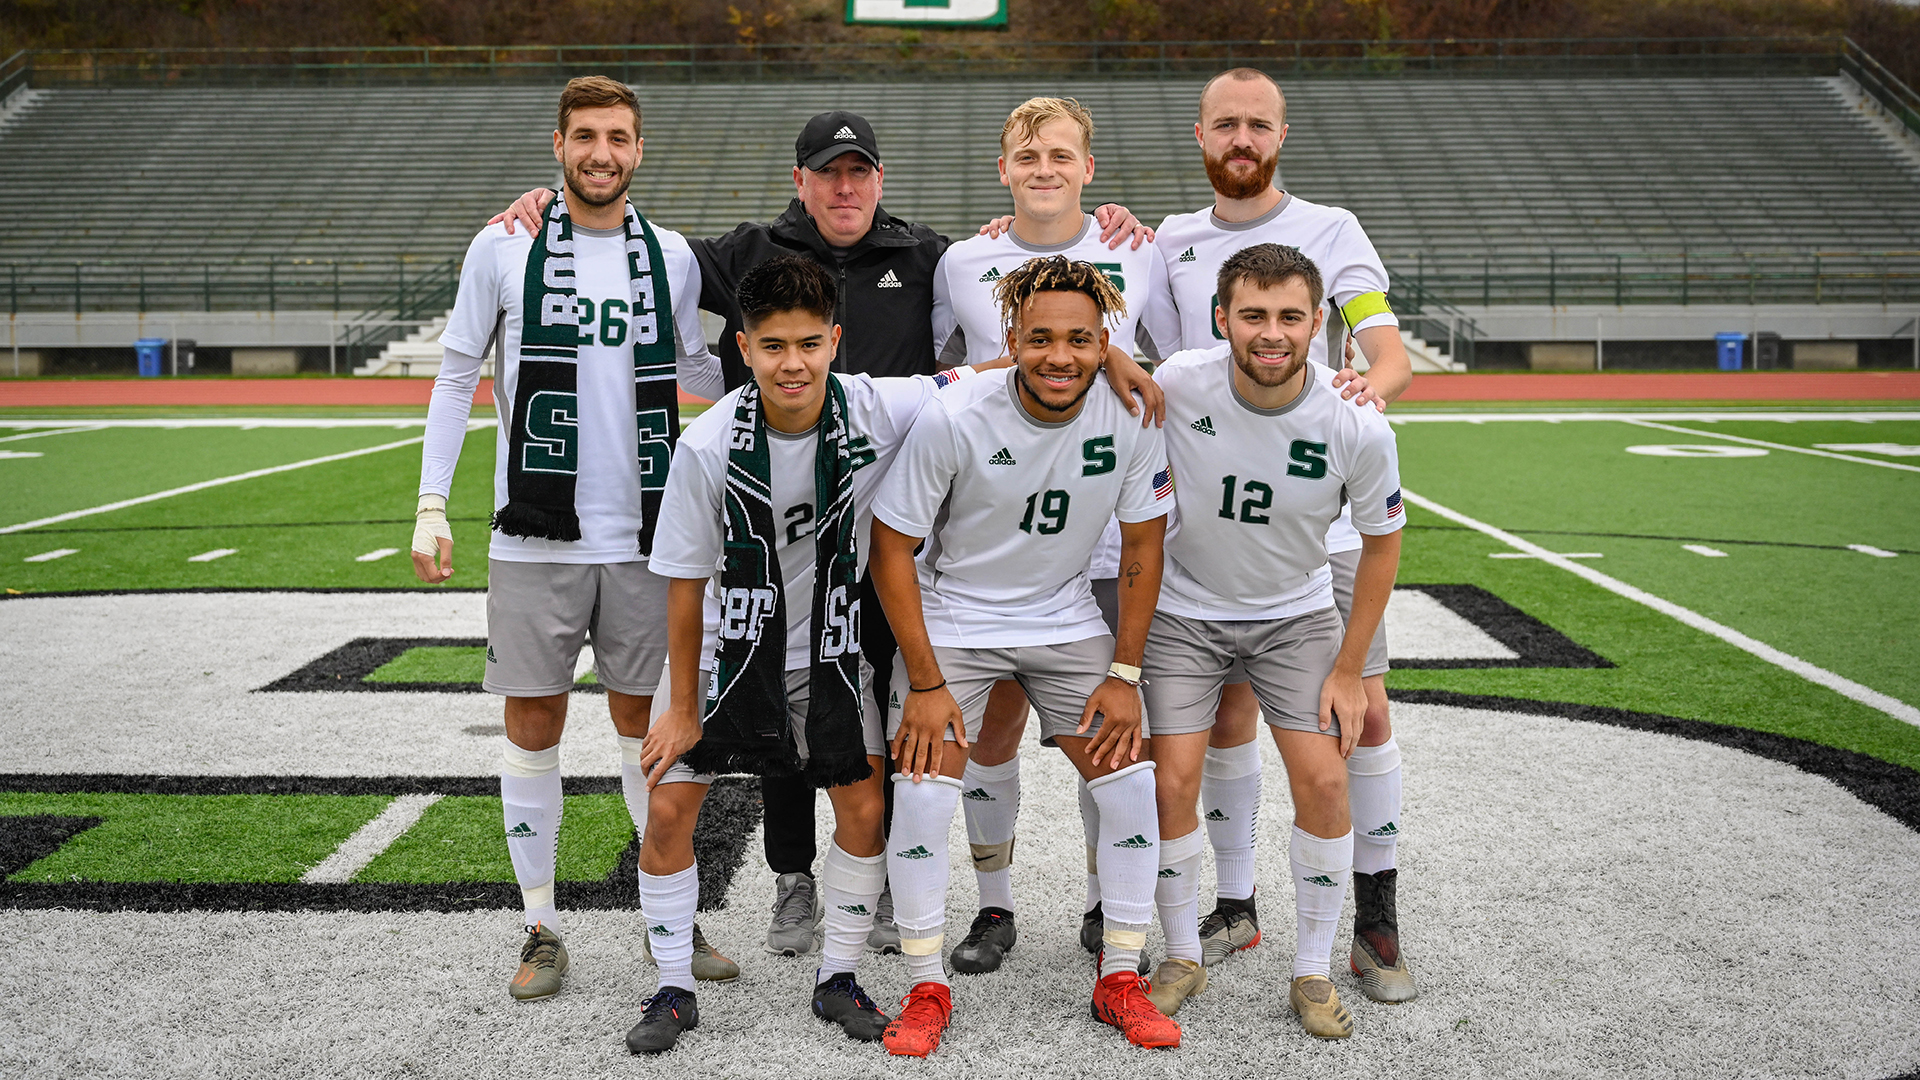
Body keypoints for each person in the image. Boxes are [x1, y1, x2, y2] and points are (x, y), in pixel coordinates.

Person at [495, 112, 1156, 959]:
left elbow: (999, 348)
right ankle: (792, 880)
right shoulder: (744, 252)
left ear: (880, 179)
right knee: (779, 704)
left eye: (860, 172)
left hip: (893, 532)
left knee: (863, 729)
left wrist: (1111, 352)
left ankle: (874, 901)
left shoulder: (930, 255)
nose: (845, 187)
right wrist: (553, 208)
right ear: (799, 179)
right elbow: (631, 244)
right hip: (769, 524)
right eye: (827, 172)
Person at [409, 75, 737, 1003]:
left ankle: (664, 915)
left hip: (645, 531)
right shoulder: (503, 245)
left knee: (651, 728)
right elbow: (454, 378)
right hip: (534, 532)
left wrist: (769, 375)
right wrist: (431, 504)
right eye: (586, 135)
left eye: (619, 137)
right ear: (558, 144)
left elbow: (697, 369)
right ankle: (542, 923)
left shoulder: (669, 255)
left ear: (639, 149)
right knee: (534, 724)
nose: (603, 152)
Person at [626, 254, 1003, 1054]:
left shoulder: (876, 405)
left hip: (827, 648)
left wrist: (1106, 355)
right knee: (667, 806)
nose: (791, 363)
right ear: (743, 348)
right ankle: (670, 986)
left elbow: (989, 372)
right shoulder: (706, 446)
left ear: (835, 340)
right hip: (728, 652)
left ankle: (837, 977)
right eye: (772, 347)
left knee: (865, 806)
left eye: (807, 343)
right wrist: (685, 708)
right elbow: (686, 585)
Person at [1147, 68, 1418, 999]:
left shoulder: (1332, 229)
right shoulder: (1169, 242)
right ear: (1200, 136)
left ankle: (1374, 916)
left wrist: (1351, 404)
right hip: (1212, 525)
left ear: (1281, 135)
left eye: (1257, 124)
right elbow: (1142, 362)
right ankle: (1232, 905)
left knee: (1362, 713)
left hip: (1322, 522)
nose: (1241, 138)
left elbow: (1386, 352)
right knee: (1222, 719)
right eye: (1225, 123)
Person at [868, 256, 1178, 1056]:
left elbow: (1144, 544)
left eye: (1081, 339)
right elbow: (891, 548)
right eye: (1040, 338)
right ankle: (925, 984)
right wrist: (928, 682)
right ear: (1011, 338)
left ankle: (1119, 975)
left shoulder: (1129, 413)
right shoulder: (957, 414)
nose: (1060, 356)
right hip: (956, 620)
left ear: (1104, 339)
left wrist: (1125, 674)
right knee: (925, 793)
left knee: (1132, 782)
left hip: (1065, 618)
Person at [926, 95, 1179, 976]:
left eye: (1061, 155)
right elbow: (941, 380)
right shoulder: (965, 258)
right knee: (991, 734)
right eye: (1028, 156)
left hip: (1107, 536)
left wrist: (1114, 351)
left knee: (1107, 737)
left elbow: (1166, 368)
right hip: (1001, 536)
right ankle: (994, 909)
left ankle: (1105, 902)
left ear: (1088, 167)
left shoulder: (1133, 248)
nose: (1044, 169)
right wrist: (1057, 353)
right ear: (1003, 169)